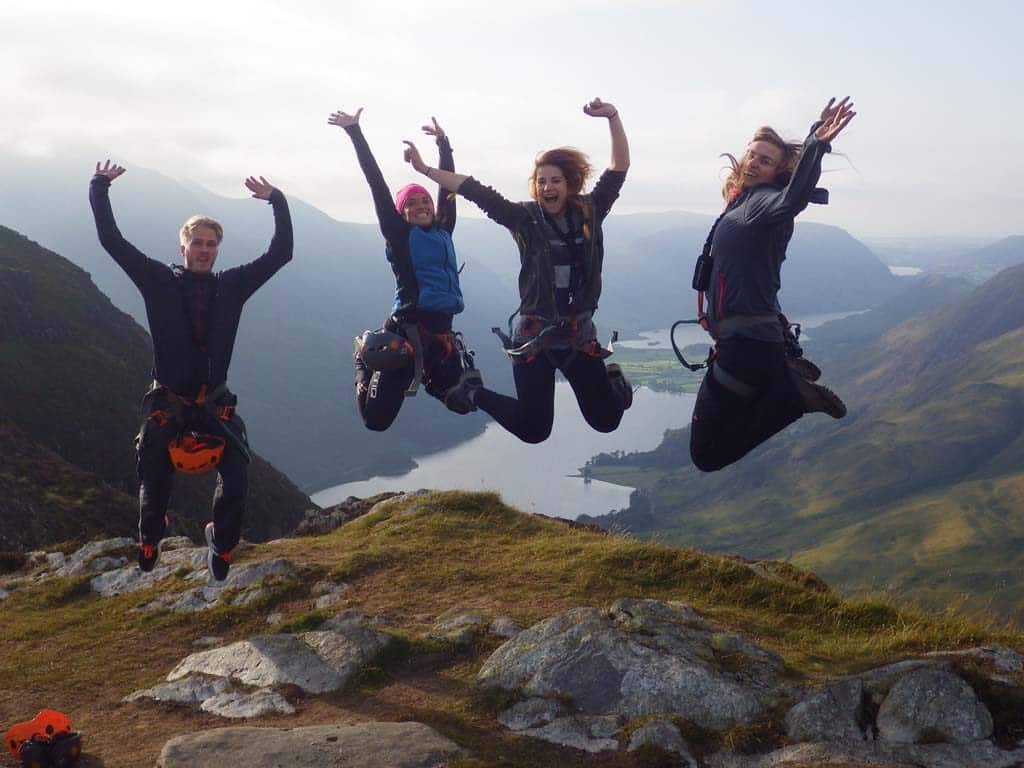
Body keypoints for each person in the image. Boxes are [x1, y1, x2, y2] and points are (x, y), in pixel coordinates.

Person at [89, 160, 293, 580]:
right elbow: (111, 240)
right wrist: (99, 186)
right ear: (183, 246)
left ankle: (221, 542)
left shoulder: (232, 286)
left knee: (237, 477)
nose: (204, 249)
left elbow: (281, 254)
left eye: (211, 244)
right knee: (154, 486)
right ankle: (151, 536)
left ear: (217, 249)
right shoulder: (157, 280)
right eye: (197, 242)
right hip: (170, 402)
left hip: (215, 403)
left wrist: (278, 201)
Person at [402, 97, 632, 444]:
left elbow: (619, 169)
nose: (547, 188)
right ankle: (473, 390)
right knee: (534, 429)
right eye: (541, 182)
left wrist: (613, 117)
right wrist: (425, 171)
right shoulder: (524, 218)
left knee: (606, 420)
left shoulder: (590, 210)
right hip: (535, 336)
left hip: (577, 334)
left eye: (555, 180)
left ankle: (611, 381)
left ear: (569, 183)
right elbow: (473, 189)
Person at [688, 97, 856, 472]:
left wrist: (816, 144)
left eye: (766, 160)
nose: (754, 163)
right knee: (711, 448)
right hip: (750, 345)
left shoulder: (764, 205)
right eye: (752, 154)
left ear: (780, 171)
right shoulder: (742, 204)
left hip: (746, 349)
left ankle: (792, 396)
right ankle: (788, 390)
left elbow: (793, 199)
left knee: (706, 453)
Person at [327, 108, 481, 426]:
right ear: (402, 213)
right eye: (411, 203)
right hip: (405, 337)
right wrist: (355, 131)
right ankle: (363, 358)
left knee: (465, 403)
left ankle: (428, 377)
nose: (421, 206)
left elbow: (448, 191)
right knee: (375, 420)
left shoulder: (443, 229)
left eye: (424, 200)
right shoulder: (399, 236)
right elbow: (376, 183)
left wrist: (443, 144)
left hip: (440, 336)